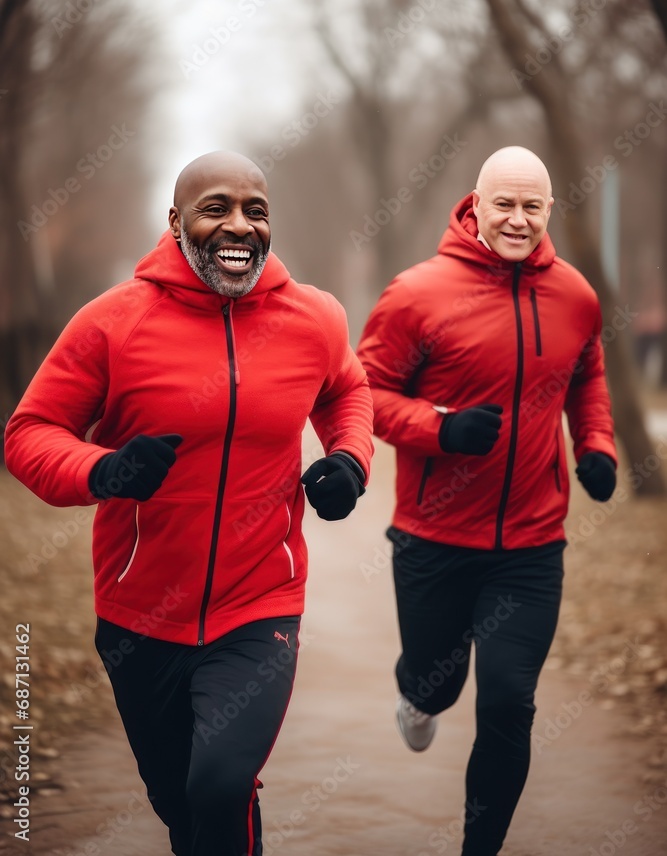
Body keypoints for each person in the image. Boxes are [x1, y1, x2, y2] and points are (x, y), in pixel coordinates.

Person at [5, 150, 374, 856]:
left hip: (258, 607)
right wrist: (103, 470)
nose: (239, 225)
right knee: (183, 804)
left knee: (220, 783)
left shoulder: (313, 318)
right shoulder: (111, 323)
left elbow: (346, 392)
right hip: (138, 616)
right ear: (175, 223)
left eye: (255, 211)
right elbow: (28, 434)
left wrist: (349, 461)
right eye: (216, 208)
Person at [356, 145, 617, 856]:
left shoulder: (575, 296)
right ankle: (417, 693)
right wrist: (440, 429)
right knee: (438, 690)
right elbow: (365, 396)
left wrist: (595, 446)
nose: (517, 218)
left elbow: (586, 376)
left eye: (531, 205)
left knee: (508, 701)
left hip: (531, 548)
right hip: (434, 540)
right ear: (475, 204)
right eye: (504, 202)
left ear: (548, 211)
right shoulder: (416, 294)